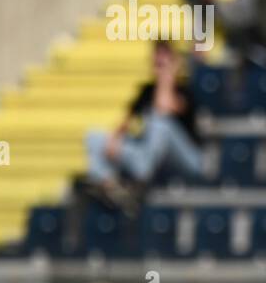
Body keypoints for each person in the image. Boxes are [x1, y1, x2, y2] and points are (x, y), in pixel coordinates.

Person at [83, 41, 203, 211]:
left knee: (161, 123)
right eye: (157, 63)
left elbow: (163, 107)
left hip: (187, 160)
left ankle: (141, 175)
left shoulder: (183, 91)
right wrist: (114, 139)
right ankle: (111, 188)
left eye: (164, 63)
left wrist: (166, 79)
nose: (159, 67)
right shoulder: (146, 91)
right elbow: (126, 121)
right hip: (149, 157)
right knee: (94, 137)